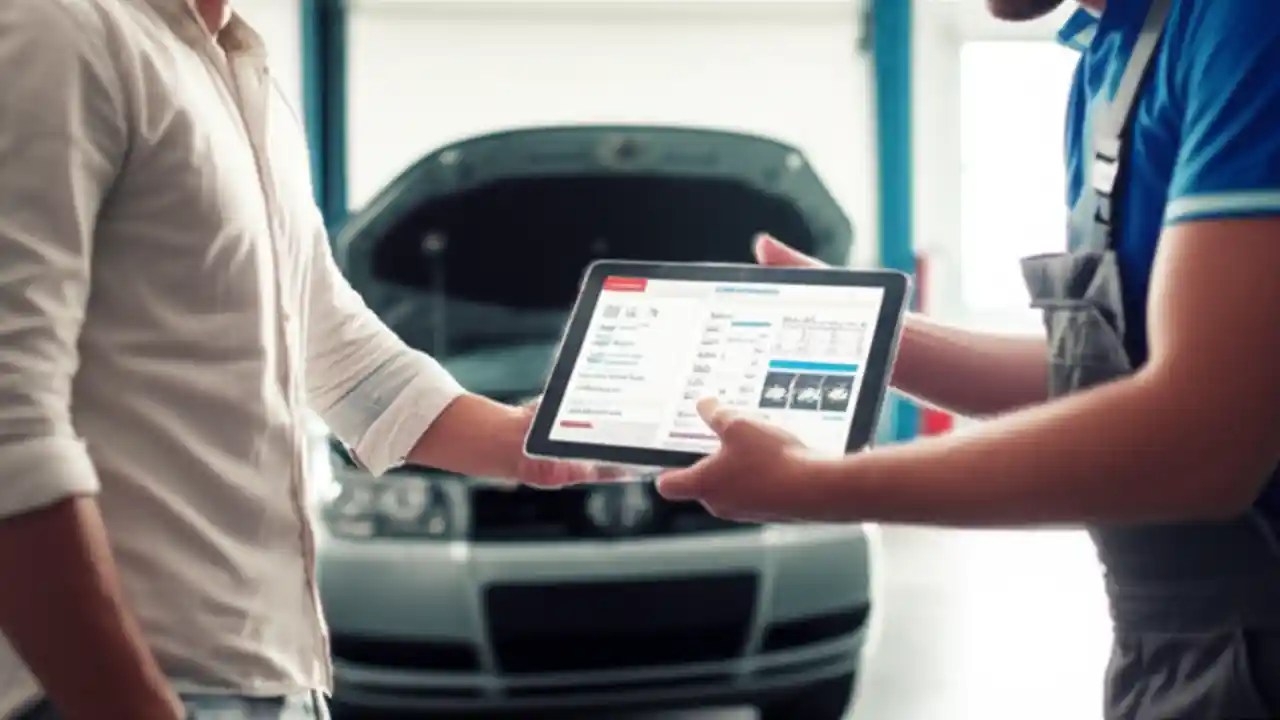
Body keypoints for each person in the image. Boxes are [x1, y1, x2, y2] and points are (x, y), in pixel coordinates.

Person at [657, 0, 1280, 718]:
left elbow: (1204, 441)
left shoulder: (1247, 23)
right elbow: (1106, 378)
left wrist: (819, 484)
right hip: (1172, 650)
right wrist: (861, 332)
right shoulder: (1112, 59)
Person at [0, 1, 598, 718]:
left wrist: (521, 443)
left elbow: (331, 339)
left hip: (275, 678)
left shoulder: (234, 66)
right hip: (123, 685)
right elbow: (10, 427)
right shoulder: (56, 29)